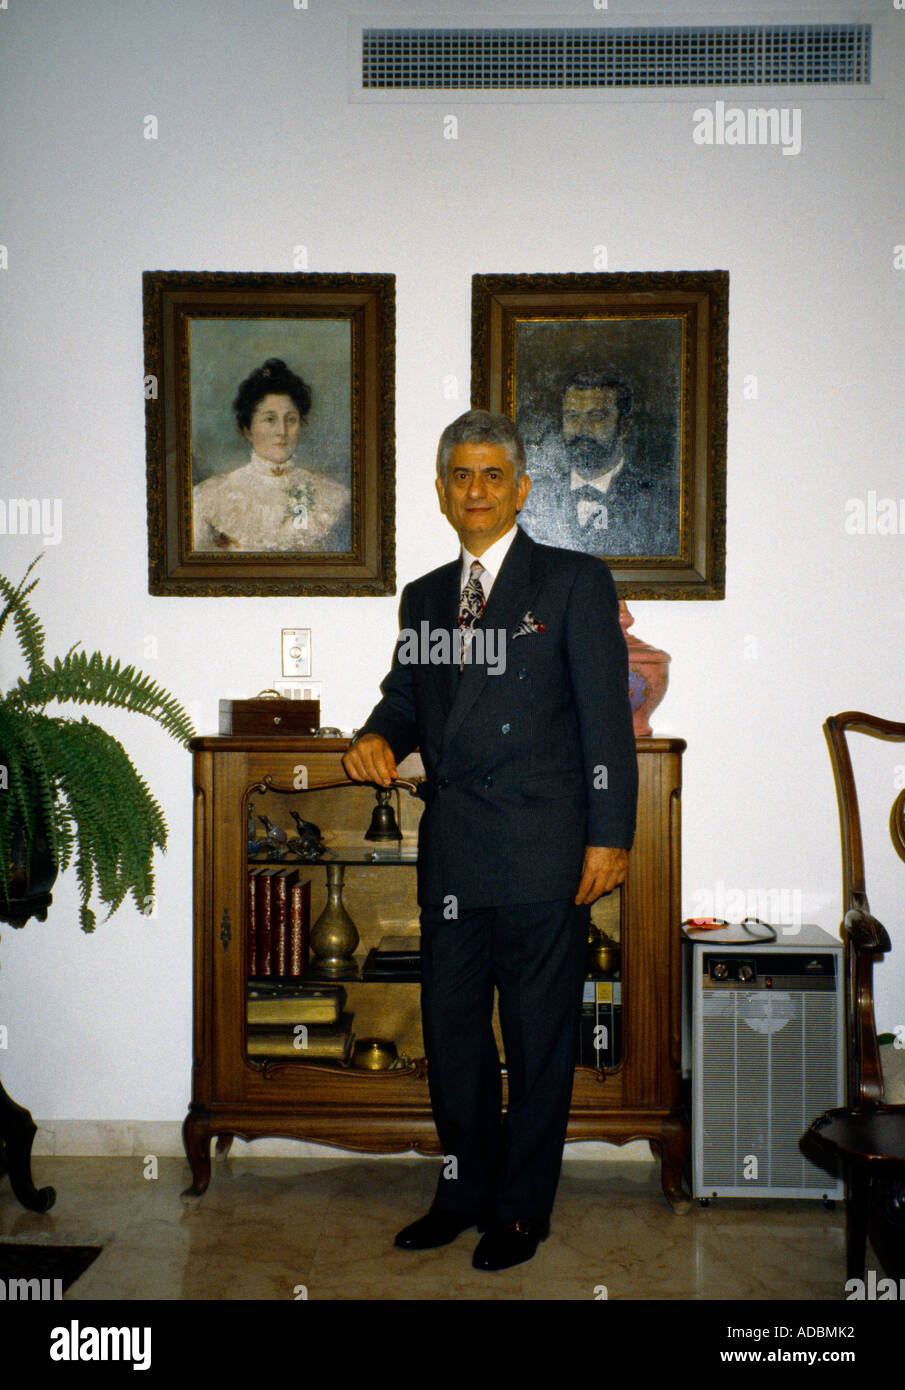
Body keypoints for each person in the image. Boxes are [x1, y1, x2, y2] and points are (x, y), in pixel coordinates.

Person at [342, 409, 637, 1271]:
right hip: (455, 850)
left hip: (545, 847)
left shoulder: (572, 583)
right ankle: (462, 1190)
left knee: (539, 1037)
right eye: (459, 477)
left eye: (491, 476)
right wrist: (378, 737)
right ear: (441, 493)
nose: (475, 491)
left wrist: (608, 836)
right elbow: (406, 697)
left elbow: (603, 726)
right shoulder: (425, 597)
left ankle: (521, 1208)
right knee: (455, 1033)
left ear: (521, 488)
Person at [192, 357, 351, 552]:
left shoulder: (332, 496)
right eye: (270, 419)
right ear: (248, 429)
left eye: (291, 420)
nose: (282, 431)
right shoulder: (211, 497)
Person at [519, 371, 679, 557]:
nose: (581, 429)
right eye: (572, 417)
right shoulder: (535, 498)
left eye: (596, 417)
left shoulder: (659, 503)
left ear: (624, 427)